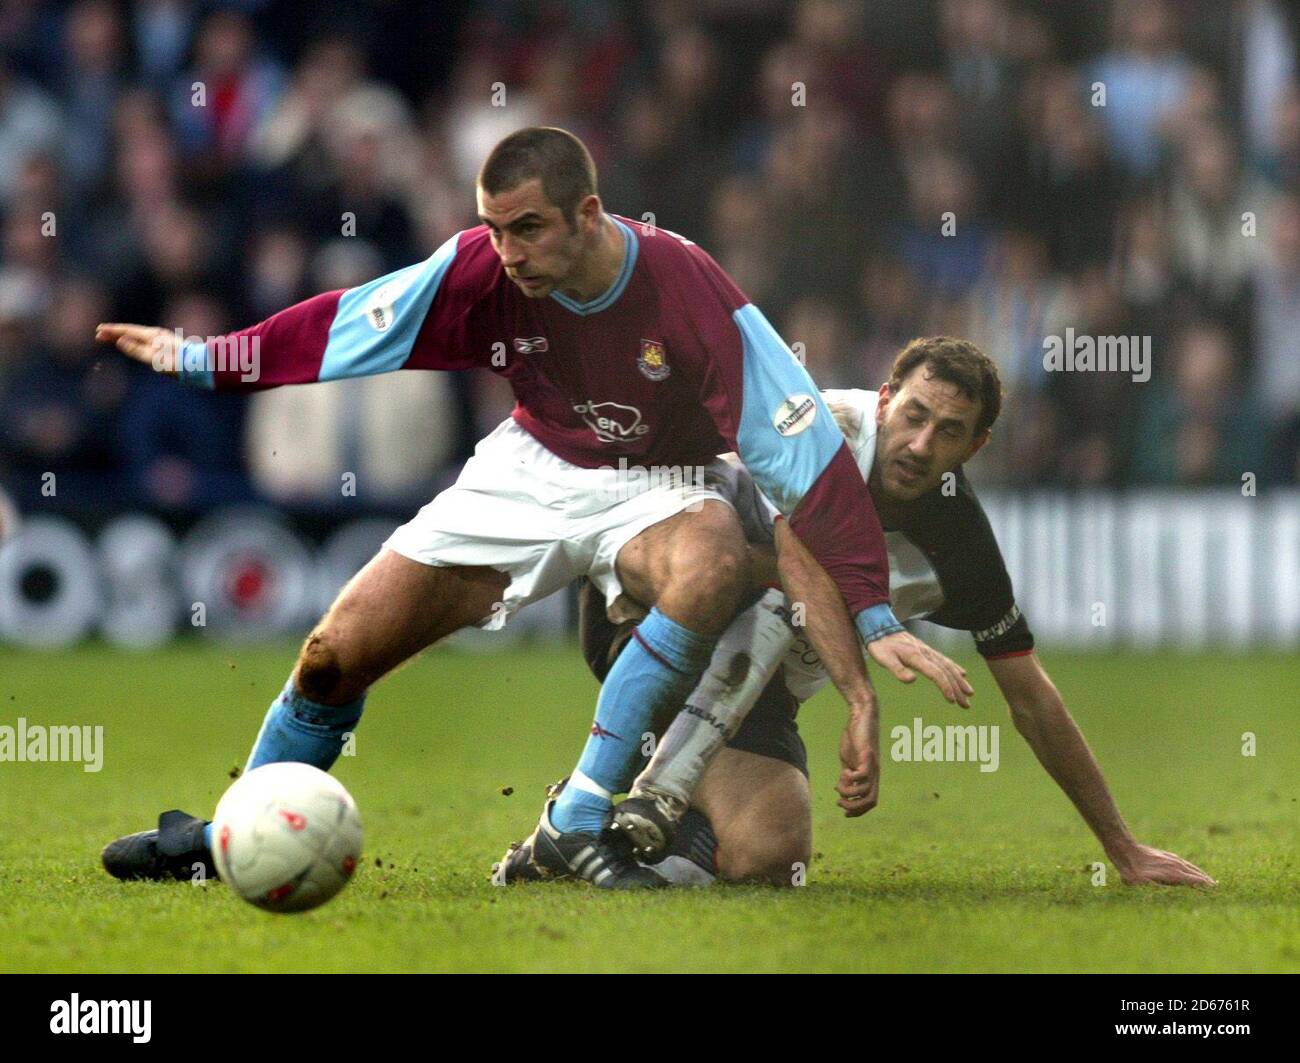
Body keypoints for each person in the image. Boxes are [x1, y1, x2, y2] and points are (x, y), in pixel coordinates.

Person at [96, 126, 968, 892]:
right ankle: (228, 836)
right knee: (332, 658)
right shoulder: (482, 271)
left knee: (710, 560)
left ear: (590, 215)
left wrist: (872, 605)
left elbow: (806, 458)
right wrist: (209, 359)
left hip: (657, 482)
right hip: (528, 468)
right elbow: (351, 323)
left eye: (528, 227)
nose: (507, 250)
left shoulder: (685, 285)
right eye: (493, 228)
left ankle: (578, 815)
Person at [500, 338, 1215, 889]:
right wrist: (860, 697)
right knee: (798, 572)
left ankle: (575, 836)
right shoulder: (823, 426)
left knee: (773, 851)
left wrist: (1121, 846)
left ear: (976, 446)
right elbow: (793, 559)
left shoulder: (961, 545)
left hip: (760, 690)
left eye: (949, 431)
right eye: (914, 415)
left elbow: (1032, 700)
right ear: (882, 401)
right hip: (654, 619)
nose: (920, 444)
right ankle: (656, 791)